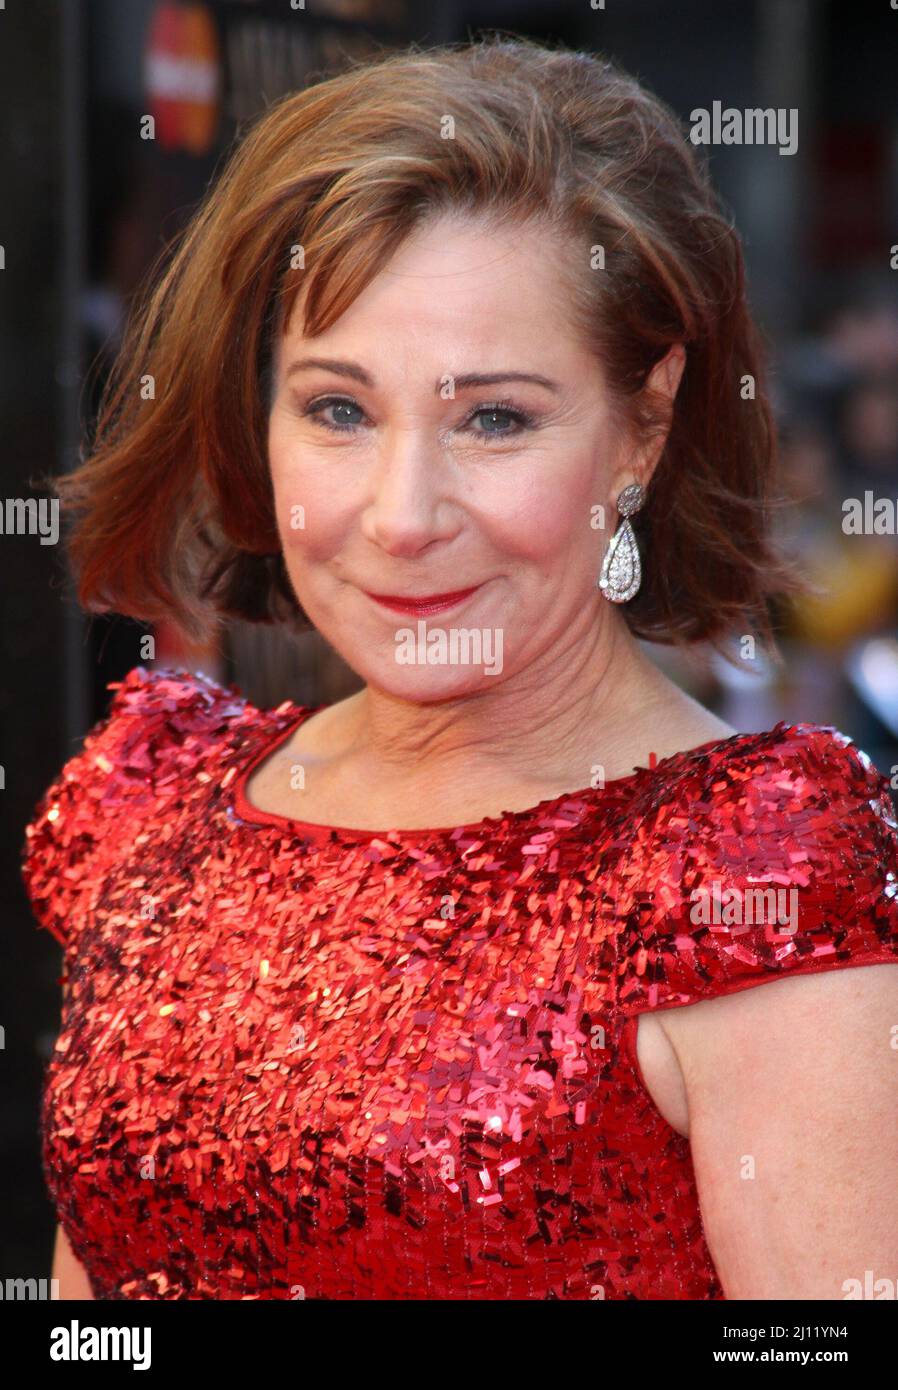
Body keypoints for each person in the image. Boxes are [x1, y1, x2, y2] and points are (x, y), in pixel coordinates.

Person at [24, 36, 898, 1301]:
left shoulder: (749, 869)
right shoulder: (152, 810)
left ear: (642, 426)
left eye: (493, 418)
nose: (400, 514)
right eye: (337, 409)